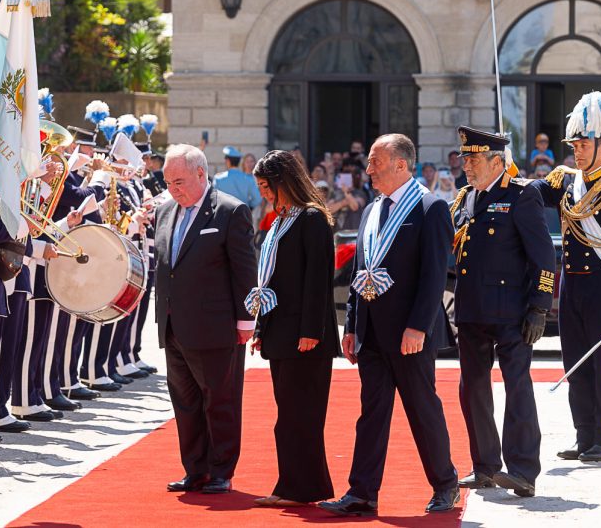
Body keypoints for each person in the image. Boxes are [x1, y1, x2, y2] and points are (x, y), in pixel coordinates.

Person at [319, 134, 459, 517]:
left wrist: (418, 326)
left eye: (376, 161)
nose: (368, 169)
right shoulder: (372, 209)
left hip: (410, 335)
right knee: (372, 415)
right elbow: (362, 274)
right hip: (372, 334)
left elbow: (434, 276)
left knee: (422, 410)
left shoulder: (431, 208)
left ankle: (446, 484)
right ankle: (362, 493)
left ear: (401, 164)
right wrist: (351, 326)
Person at [449, 126, 554, 499]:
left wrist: (539, 307)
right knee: (473, 389)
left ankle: (524, 470)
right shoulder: (465, 198)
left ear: (497, 161)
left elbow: (544, 257)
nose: (467, 166)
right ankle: (485, 466)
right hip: (472, 310)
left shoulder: (521, 195)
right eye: (464, 158)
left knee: (517, 387)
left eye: (474, 159)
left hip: (511, 313)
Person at [155, 144, 257, 495]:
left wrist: (246, 321)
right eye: (168, 182)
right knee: (185, 402)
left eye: (179, 181)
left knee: (220, 400)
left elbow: (245, 270)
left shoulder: (230, 211)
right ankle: (195, 469)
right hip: (173, 326)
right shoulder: (165, 211)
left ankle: (220, 470)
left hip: (216, 327)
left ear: (202, 173)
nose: (173, 189)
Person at [248, 150, 339, 508]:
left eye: (266, 186)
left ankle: (300, 489)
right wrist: (261, 328)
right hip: (280, 333)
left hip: (306, 336)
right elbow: (272, 281)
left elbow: (318, 280)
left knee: (300, 416)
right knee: (288, 415)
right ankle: (295, 486)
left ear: (283, 182)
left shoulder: (312, 219)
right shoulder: (281, 220)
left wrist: (311, 330)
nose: (263, 194)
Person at [534, 92, 601, 464]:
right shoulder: (566, 181)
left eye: (583, 144)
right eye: (575, 144)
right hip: (572, 284)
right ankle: (583, 434)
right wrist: (507, 171)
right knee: (575, 360)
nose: (577, 152)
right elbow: (531, 194)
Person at [214, 145, 261, 212]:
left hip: (224, 216)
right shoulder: (248, 179)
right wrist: (248, 207)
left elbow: (214, 199)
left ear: (228, 161)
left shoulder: (218, 178)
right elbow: (257, 199)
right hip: (242, 216)